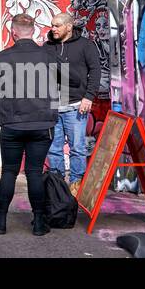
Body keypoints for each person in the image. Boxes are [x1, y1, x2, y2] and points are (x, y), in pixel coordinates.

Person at [0, 14, 58, 236]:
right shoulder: (49, 56)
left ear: (13, 31)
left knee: (9, 172)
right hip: (42, 123)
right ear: (33, 31)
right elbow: (68, 82)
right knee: (34, 172)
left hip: (12, 124)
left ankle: (0, 221)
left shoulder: (2, 57)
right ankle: (38, 223)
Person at [46, 11, 101, 194]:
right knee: (54, 148)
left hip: (76, 106)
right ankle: (57, 185)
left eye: (57, 25)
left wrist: (89, 97)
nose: (53, 29)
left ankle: (76, 185)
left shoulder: (86, 46)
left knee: (77, 148)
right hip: (52, 106)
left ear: (69, 27)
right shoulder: (47, 47)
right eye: (52, 25)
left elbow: (95, 71)